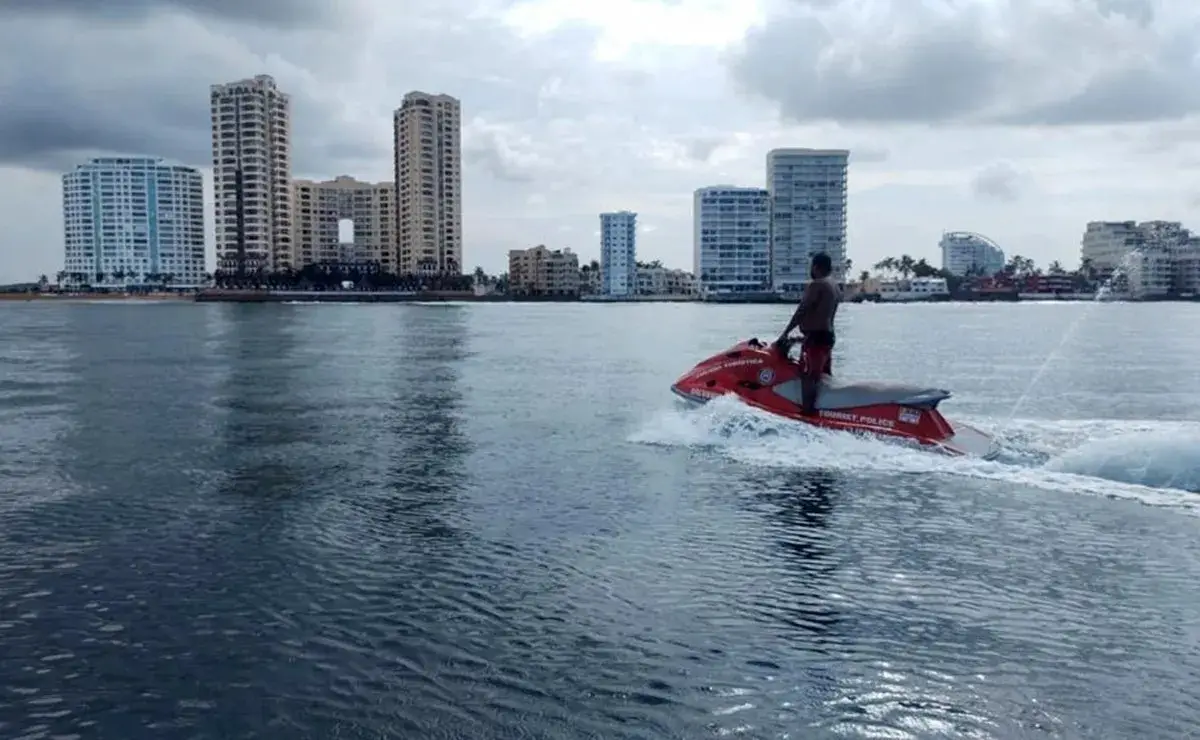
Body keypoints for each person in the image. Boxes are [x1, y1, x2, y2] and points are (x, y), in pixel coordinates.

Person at [773, 252, 841, 415]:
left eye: (811, 266)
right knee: (823, 377)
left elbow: (802, 310)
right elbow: (823, 315)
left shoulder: (817, 284)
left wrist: (785, 333)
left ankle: (807, 414)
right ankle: (826, 410)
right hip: (827, 337)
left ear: (817, 267)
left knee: (809, 377)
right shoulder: (835, 286)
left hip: (815, 339)